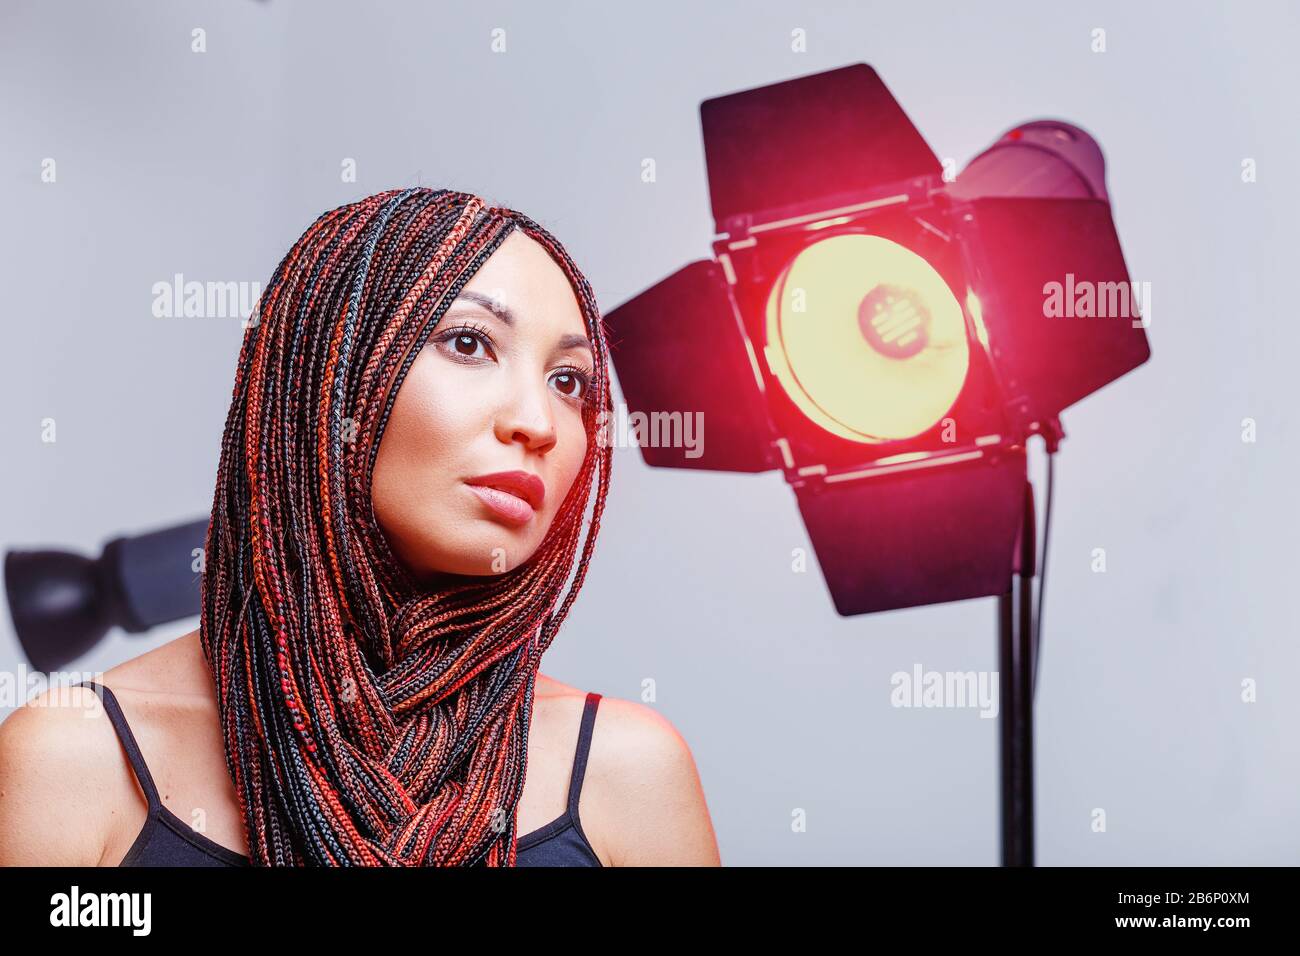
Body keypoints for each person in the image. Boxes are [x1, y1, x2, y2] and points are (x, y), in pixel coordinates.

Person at [0, 188, 720, 867]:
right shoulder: (76, 758)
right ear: (323, 377)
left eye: (570, 381)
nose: (537, 424)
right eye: (470, 343)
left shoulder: (630, 770)